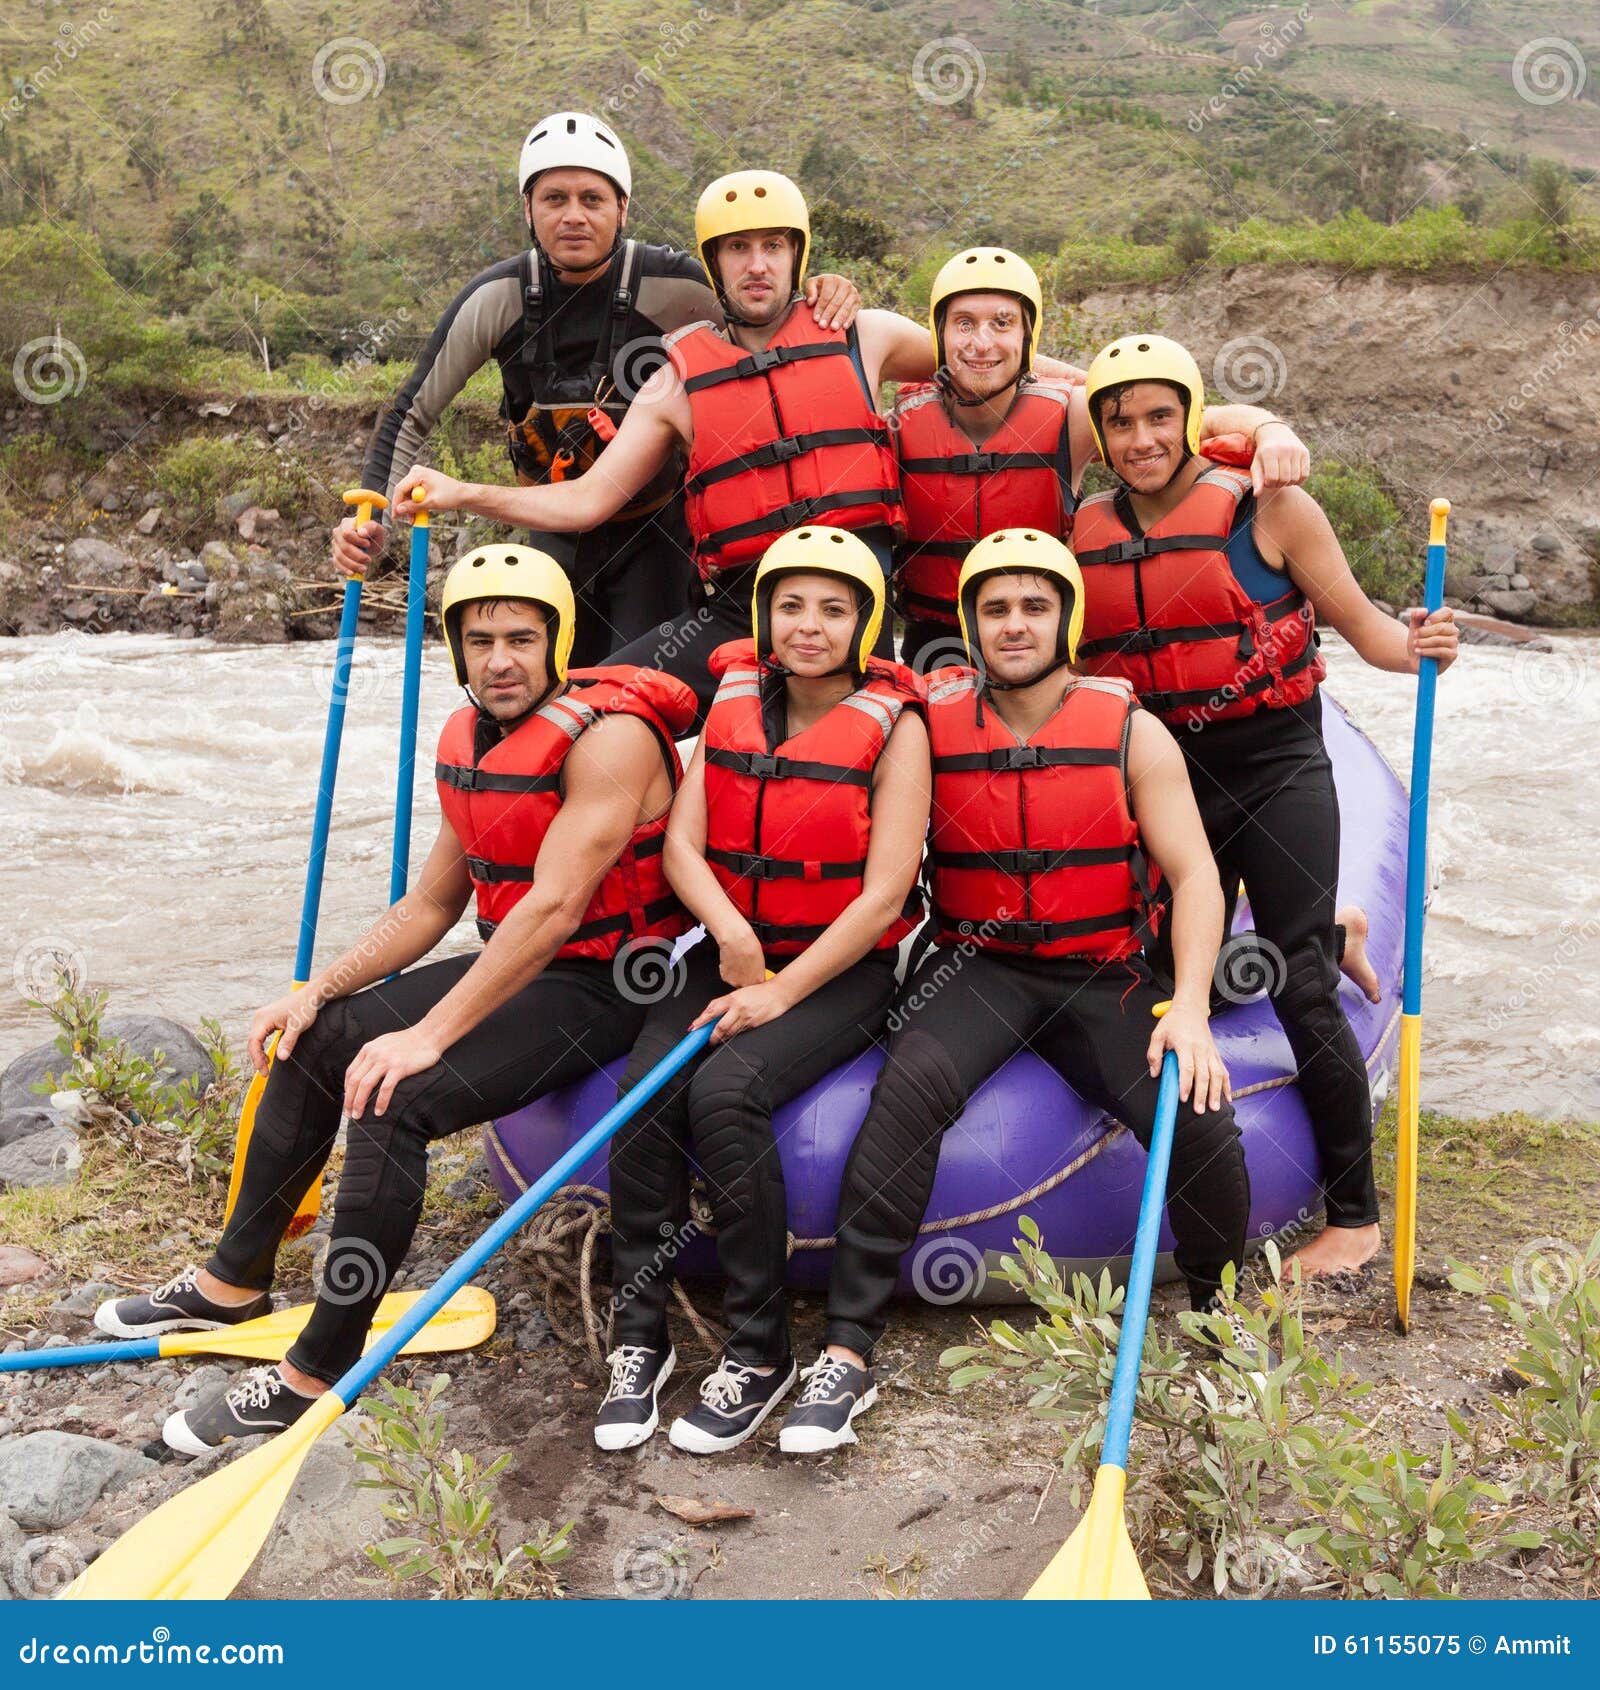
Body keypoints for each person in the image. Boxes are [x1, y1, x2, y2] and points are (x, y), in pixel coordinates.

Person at [94, 548, 697, 1451]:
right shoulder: (473, 735)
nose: (500, 659)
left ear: (558, 644)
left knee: (393, 1092)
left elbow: (553, 909)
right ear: (456, 649)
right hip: (530, 965)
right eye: (480, 640)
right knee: (320, 1039)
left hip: (618, 982)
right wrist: (317, 991)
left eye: (521, 639)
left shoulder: (612, 740)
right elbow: (431, 904)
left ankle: (313, 1374)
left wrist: (428, 1035)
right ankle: (232, 1283)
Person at [786, 529, 1252, 1453]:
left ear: (1066, 620)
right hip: (978, 966)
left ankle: (1219, 1325)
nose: (1014, 624)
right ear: (969, 624)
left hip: (1104, 969)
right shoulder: (926, 722)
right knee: (905, 1096)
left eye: (1035, 606)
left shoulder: (1133, 730)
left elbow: (1197, 875)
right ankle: (845, 1353)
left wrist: (1193, 1005)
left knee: (1199, 1116)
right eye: (994, 608)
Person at [396, 173, 1078, 716]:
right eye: (738, 249)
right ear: (714, 264)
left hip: (854, 617)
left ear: (796, 256)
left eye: (773, 246)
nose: (757, 265)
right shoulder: (674, 381)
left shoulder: (862, 335)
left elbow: (989, 362)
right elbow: (586, 500)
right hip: (736, 616)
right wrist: (461, 493)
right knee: (589, 710)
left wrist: (1117, 386)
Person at [1071, 334, 1460, 1278]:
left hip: (1278, 766)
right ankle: (1331, 921)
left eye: (1160, 416)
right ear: (1100, 436)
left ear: (1192, 420)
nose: (1141, 438)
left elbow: (1369, 633)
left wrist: (1423, 645)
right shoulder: (1080, 535)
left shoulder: (1271, 510)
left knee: (1298, 986)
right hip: (1171, 785)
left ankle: (1355, 1217)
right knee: (1163, 977)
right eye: (1120, 422)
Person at [591, 525, 931, 1455]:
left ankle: (757, 1349)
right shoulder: (736, 698)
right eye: (790, 606)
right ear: (763, 616)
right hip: (735, 946)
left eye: (833, 609)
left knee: (726, 1094)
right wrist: (733, 936)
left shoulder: (898, 727)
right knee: (644, 1094)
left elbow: (884, 896)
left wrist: (780, 994)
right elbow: (682, 845)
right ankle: (639, 1337)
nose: (809, 625)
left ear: (866, 624)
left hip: (842, 967)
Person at [331, 115, 862, 666]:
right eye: (554, 199)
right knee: (556, 690)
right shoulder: (496, 299)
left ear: (622, 208)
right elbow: (411, 413)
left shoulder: (676, 285)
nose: (574, 216)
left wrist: (822, 290)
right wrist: (368, 518)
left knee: (642, 694)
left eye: (592, 199)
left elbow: (764, 312)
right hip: (554, 531)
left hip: (659, 534)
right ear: (528, 209)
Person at [892, 247, 1313, 671]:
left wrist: (1270, 430)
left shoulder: (1071, 416)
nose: (982, 342)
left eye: (1003, 323)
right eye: (964, 324)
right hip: (935, 644)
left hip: (1045, 637)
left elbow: (1204, 422)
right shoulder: (901, 423)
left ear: (1027, 335)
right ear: (939, 334)